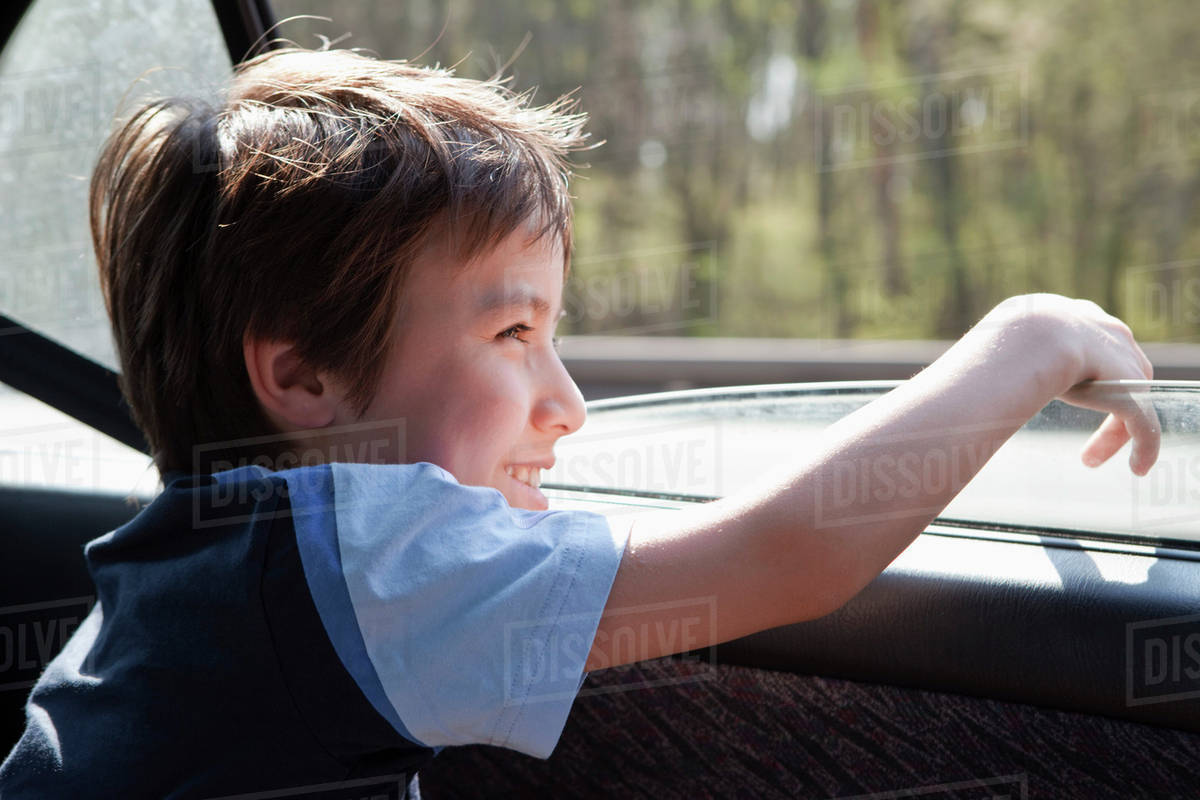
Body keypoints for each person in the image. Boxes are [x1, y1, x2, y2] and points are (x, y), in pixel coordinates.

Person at [0, 46, 1159, 799]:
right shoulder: (368, 558)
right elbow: (787, 554)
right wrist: (1029, 338)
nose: (570, 401)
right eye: (513, 334)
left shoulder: (207, 557)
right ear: (302, 381)